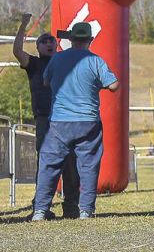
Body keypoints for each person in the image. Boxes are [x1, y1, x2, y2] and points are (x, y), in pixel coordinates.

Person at [31, 22, 119, 221]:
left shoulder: (57, 59)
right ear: (90, 39)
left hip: (59, 122)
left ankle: (40, 210)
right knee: (88, 166)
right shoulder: (96, 61)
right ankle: (86, 211)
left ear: (70, 39)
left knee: (49, 165)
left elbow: (45, 82)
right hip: (88, 121)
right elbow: (114, 85)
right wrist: (96, 83)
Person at [13, 13, 80, 219]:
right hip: (45, 120)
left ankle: (71, 207)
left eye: (52, 40)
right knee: (46, 163)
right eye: (44, 41)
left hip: (66, 118)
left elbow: (81, 56)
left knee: (70, 162)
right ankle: (41, 208)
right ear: (38, 47)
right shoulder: (33, 64)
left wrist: (73, 39)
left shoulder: (64, 61)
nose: (49, 43)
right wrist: (23, 25)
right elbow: (16, 51)